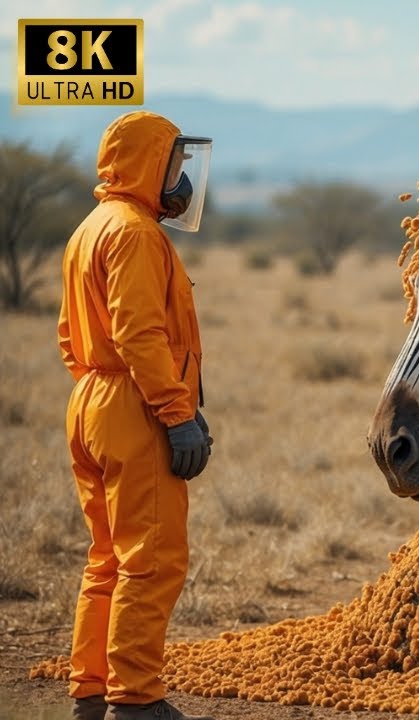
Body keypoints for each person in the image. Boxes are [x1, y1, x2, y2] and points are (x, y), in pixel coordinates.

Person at [58, 110, 216, 720]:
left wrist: (101, 397)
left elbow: (70, 336)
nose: (181, 180)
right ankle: (137, 701)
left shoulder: (89, 228)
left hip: (92, 401)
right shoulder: (137, 234)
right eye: (174, 166)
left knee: (108, 558)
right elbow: (140, 334)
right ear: (150, 164)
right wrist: (176, 414)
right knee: (151, 559)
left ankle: (92, 692)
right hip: (133, 402)